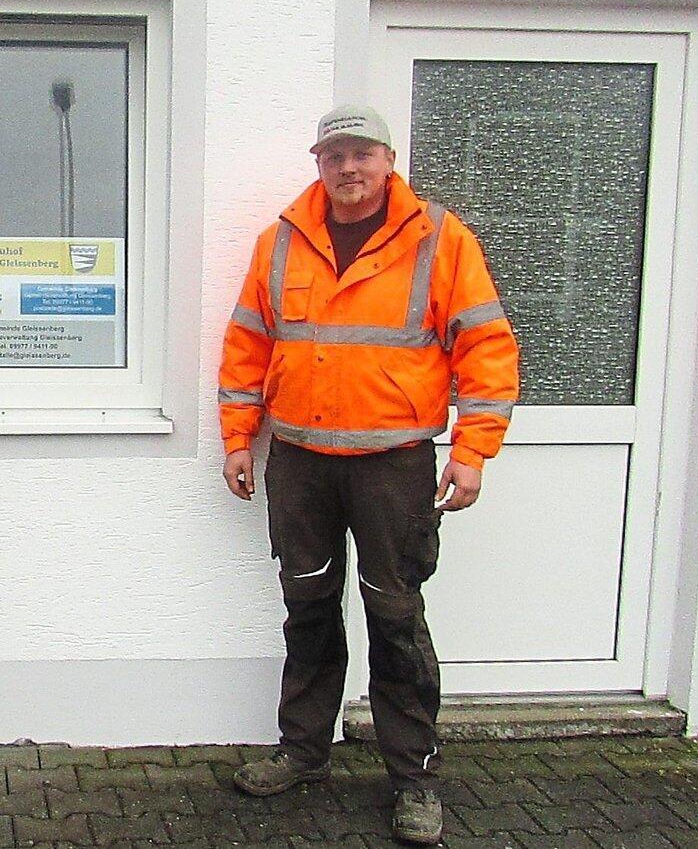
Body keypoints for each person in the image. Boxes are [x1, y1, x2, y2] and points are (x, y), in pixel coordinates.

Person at [218, 105, 519, 845]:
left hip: (394, 465)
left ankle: (414, 778)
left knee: (395, 614)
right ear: (318, 162)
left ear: (388, 160)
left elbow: (485, 346)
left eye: (363, 154)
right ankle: (303, 750)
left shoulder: (440, 239)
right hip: (301, 464)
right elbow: (247, 346)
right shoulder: (281, 242)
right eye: (335, 155)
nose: (349, 168)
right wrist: (236, 438)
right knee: (309, 606)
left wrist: (474, 450)